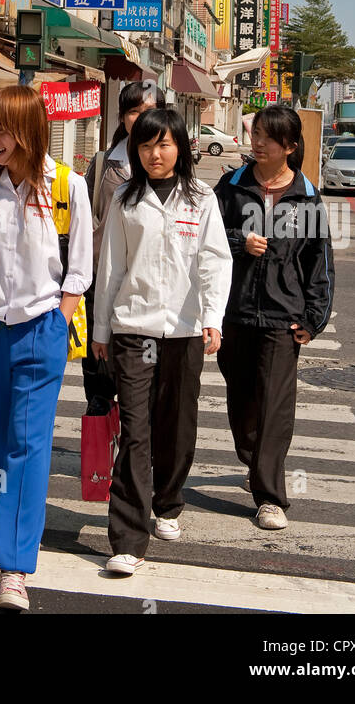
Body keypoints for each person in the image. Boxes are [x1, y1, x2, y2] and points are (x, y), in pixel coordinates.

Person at [0, 85, 92, 612]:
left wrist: (58, 322)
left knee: (28, 449)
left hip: (40, 331)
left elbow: (79, 269)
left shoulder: (67, 186)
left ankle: (14, 567)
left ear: (30, 129)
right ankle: (9, 533)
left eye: (1, 128)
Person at [93, 107, 232, 574]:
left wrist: (213, 319)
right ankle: (127, 539)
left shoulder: (201, 198)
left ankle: (168, 502)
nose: (156, 153)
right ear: (136, 149)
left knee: (175, 425)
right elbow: (110, 267)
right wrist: (101, 331)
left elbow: (215, 262)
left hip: (185, 330)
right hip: (134, 328)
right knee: (135, 432)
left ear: (181, 148)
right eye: (147, 145)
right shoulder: (125, 200)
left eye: (165, 144)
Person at [213, 105, 334, 530]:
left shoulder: (307, 196)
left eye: (268, 137)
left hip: (284, 316)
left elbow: (319, 262)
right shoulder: (230, 186)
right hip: (234, 311)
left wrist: (315, 317)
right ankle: (252, 460)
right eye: (256, 134)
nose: (258, 142)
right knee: (242, 399)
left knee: (275, 406)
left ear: (290, 147)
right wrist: (238, 241)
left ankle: (269, 496)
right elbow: (205, 241)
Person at [83, 83, 165, 411]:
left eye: (148, 111)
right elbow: (84, 217)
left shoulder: (169, 165)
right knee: (100, 380)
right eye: (133, 111)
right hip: (101, 283)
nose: (140, 118)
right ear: (122, 117)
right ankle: (100, 456)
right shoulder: (105, 163)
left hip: (149, 289)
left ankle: (135, 454)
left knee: (144, 383)